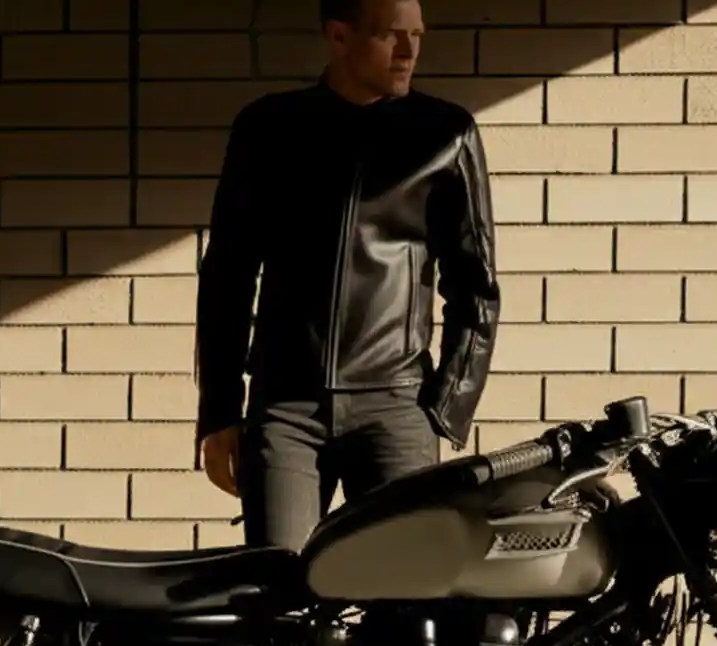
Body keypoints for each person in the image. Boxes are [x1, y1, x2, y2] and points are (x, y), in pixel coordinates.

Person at [193, 0, 501, 553]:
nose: (409, 52)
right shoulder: (268, 128)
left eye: (417, 36)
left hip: (395, 407)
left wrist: (446, 407)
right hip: (287, 410)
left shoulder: (446, 134)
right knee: (281, 594)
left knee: (403, 603)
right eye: (391, 36)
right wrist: (219, 412)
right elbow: (228, 276)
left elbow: (475, 283)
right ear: (339, 36)